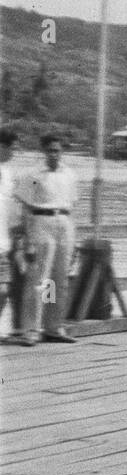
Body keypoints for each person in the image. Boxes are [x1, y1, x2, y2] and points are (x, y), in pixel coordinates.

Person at [12, 133, 78, 346]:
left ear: (62, 152)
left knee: (57, 279)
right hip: (41, 222)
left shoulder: (69, 174)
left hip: (64, 222)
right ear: (43, 151)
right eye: (50, 150)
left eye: (57, 150)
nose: (54, 154)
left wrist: (73, 238)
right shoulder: (32, 174)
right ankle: (31, 329)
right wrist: (28, 240)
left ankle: (53, 326)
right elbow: (24, 209)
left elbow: (72, 205)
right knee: (38, 279)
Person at [0, 129, 18, 342]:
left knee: (3, 290)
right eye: (12, 148)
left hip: (3, 243)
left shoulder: (7, 173)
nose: (14, 152)